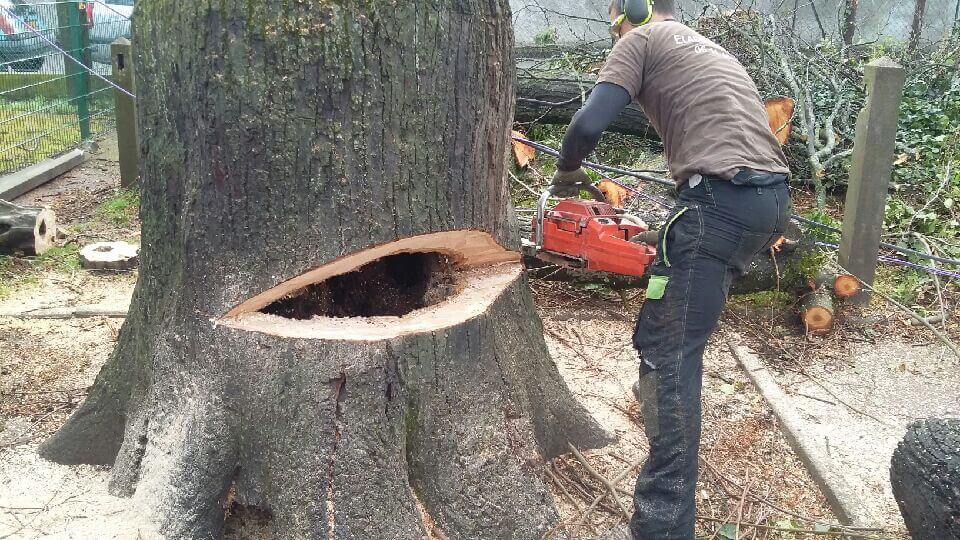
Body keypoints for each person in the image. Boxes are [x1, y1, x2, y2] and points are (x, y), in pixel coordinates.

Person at [551, 1, 791, 538]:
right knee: (668, 327)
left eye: (616, 13)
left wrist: (565, 177)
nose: (615, 23)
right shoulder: (707, 47)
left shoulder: (640, 39)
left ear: (632, 10)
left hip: (719, 203)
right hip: (767, 203)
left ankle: (662, 527)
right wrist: (673, 233)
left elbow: (588, 123)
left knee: (669, 353)